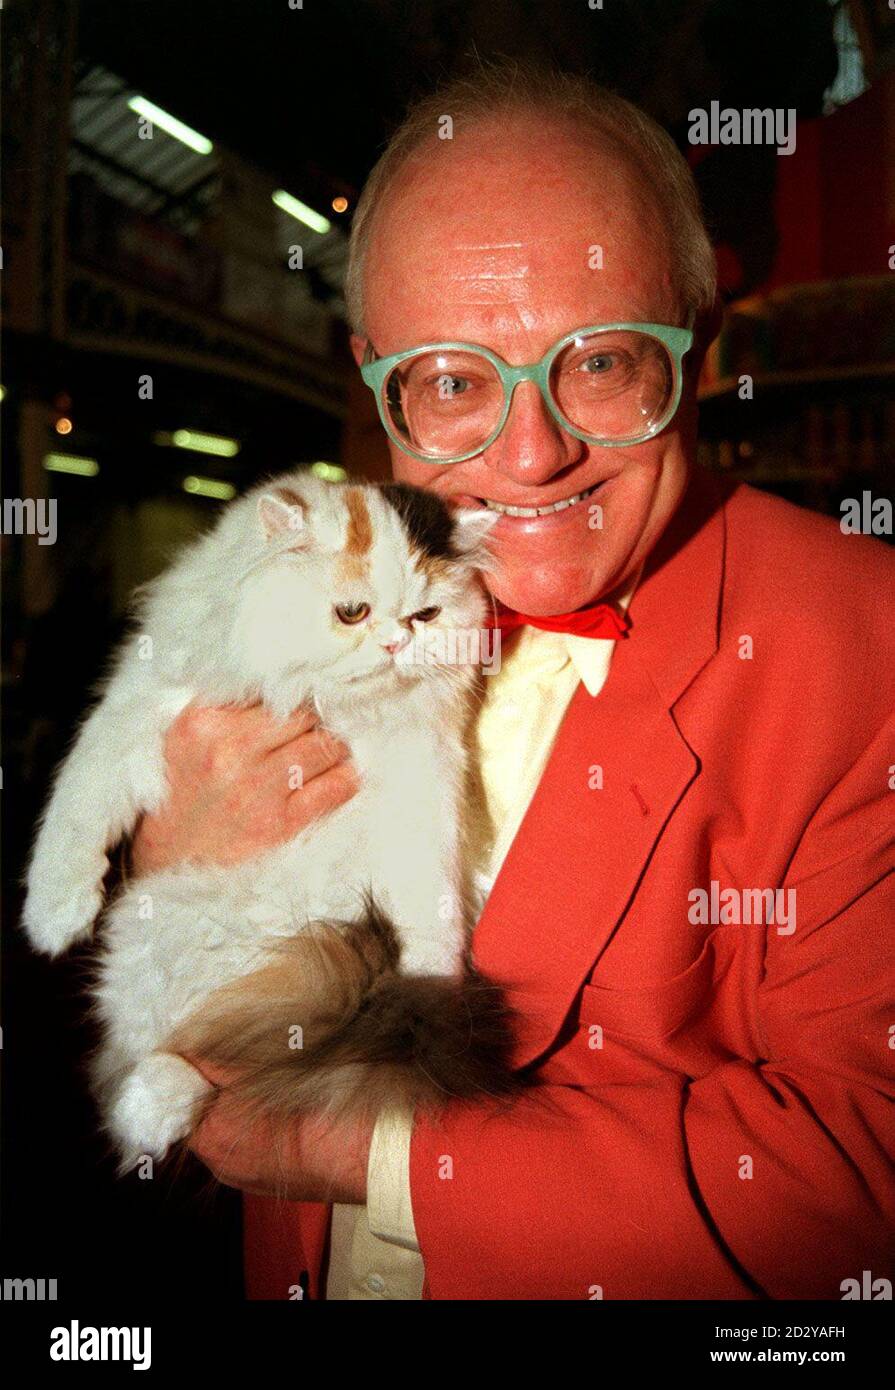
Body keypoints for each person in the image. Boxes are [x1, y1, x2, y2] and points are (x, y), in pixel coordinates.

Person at [130, 63, 894, 1300]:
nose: (530, 458)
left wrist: (360, 1149)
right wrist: (177, 871)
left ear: (696, 348)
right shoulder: (309, 597)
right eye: (451, 381)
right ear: (378, 379)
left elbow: (863, 1175)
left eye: (599, 364)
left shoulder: (869, 645)